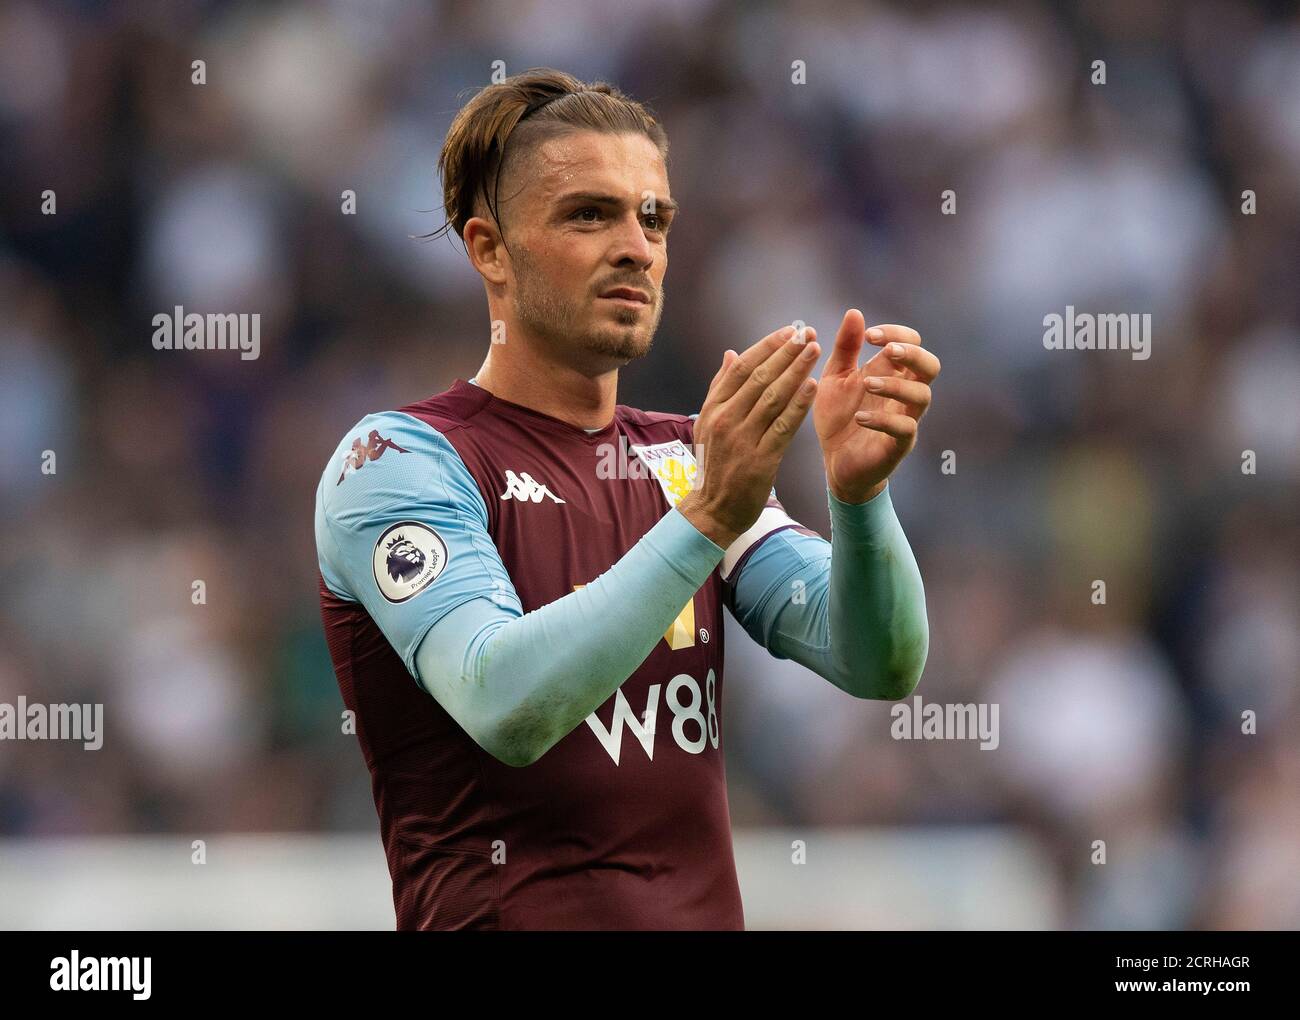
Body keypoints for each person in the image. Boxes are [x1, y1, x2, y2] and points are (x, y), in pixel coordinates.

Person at [314, 68, 939, 930]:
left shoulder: (685, 461)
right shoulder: (400, 462)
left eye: (654, 218)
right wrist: (706, 519)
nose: (636, 247)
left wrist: (860, 500)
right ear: (489, 248)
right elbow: (504, 703)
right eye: (589, 214)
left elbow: (878, 662)